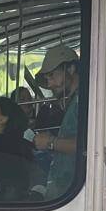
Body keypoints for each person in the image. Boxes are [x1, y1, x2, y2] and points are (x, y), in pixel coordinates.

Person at [32, 45, 81, 197]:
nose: (50, 84)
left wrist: (50, 142)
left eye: (52, 76)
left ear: (71, 68)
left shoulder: (84, 101)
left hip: (73, 194)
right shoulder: (73, 102)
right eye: (47, 79)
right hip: (66, 191)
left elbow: (90, 145)